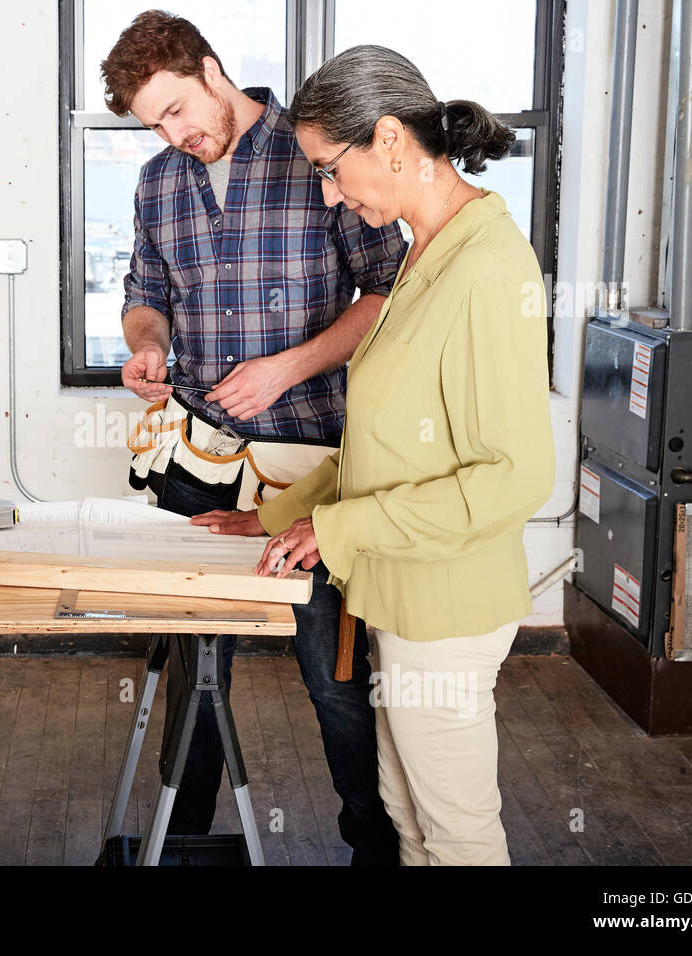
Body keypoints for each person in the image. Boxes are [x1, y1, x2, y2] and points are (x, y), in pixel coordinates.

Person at [198, 45, 556, 865]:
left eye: (330, 168)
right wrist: (273, 518)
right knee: (407, 815)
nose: (329, 192)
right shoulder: (422, 254)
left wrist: (340, 531)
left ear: (390, 140)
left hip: (447, 606)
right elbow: (379, 446)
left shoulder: (487, 268)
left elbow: (513, 475)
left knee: (457, 835)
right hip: (402, 596)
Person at [103, 11, 406, 863]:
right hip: (195, 463)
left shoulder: (318, 153)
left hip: (308, 470)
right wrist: (147, 343)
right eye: (155, 123)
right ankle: (184, 840)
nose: (175, 133)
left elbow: (386, 295)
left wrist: (290, 366)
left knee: (335, 678)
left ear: (211, 69)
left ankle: (372, 845)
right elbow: (143, 289)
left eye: (177, 110)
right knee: (196, 678)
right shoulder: (160, 182)